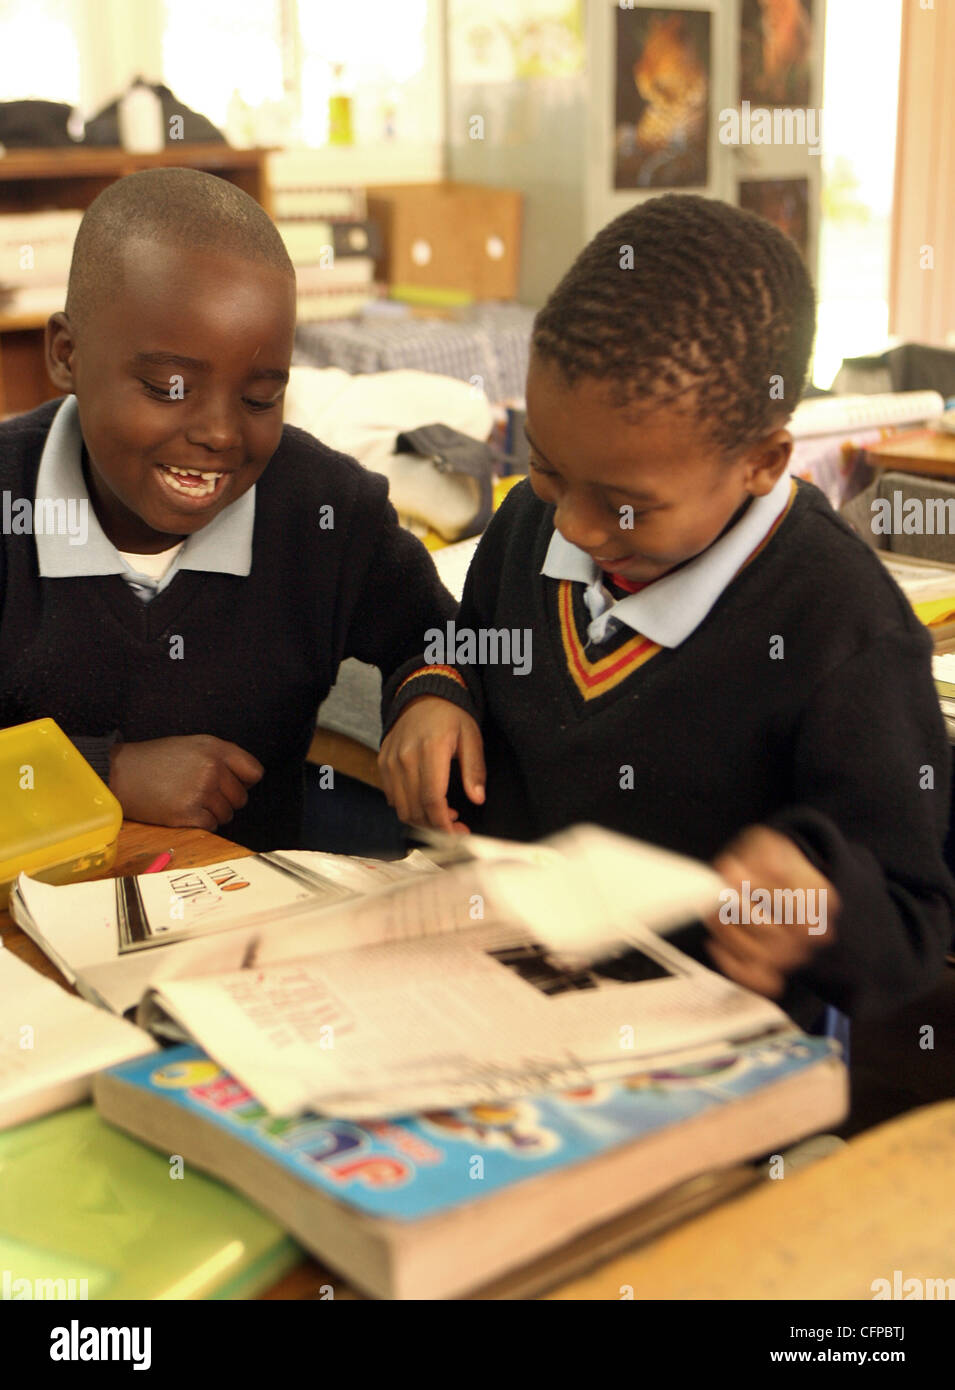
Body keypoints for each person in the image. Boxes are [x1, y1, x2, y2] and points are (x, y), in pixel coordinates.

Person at [378, 193, 955, 1023]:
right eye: (546, 468)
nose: (572, 523)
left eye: (623, 505)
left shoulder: (843, 630)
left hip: (699, 1061)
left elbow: (911, 922)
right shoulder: (528, 525)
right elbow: (468, 650)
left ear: (762, 461)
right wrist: (436, 687)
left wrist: (816, 910)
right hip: (489, 992)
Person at [0, 167, 454, 850]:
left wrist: (431, 695)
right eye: (167, 387)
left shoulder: (324, 511)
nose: (218, 432)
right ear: (66, 354)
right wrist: (105, 773)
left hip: (243, 934)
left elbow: (439, 637)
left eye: (260, 398)